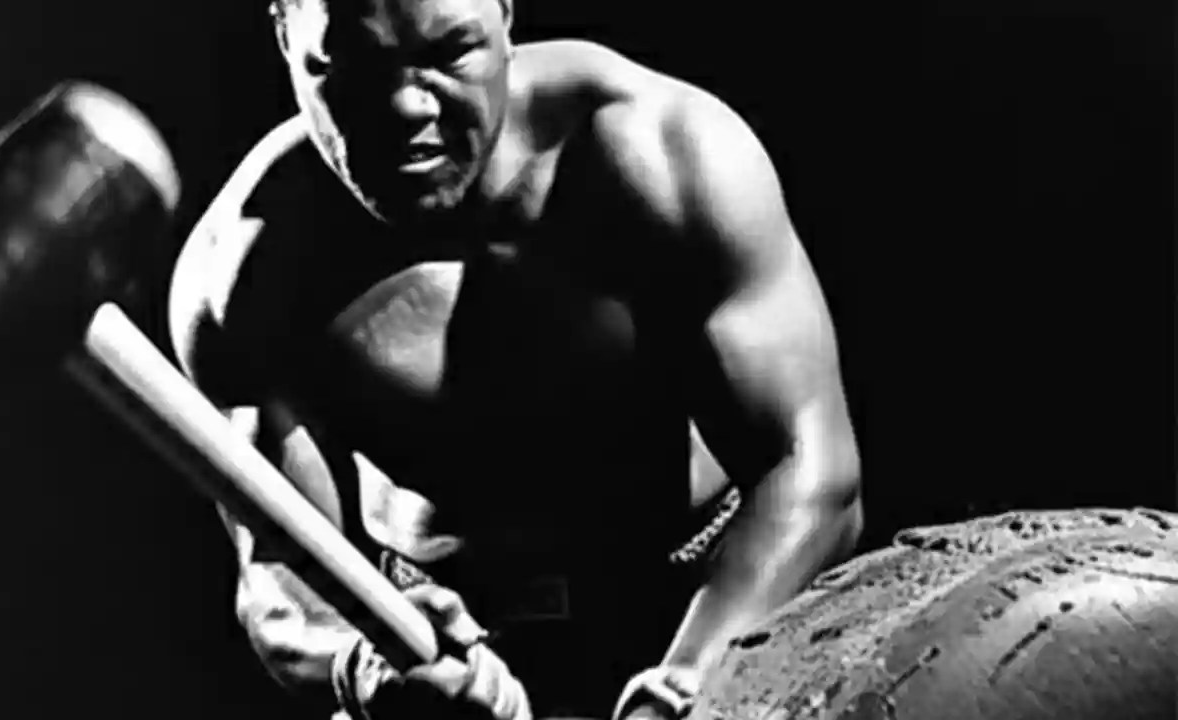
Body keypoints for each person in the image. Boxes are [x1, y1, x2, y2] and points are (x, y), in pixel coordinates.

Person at [168, 0, 864, 717]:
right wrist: (365, 666)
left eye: (449, 53)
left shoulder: (663, 154)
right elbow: (277, 575)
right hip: (439, 645)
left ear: (503, 11)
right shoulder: (244, 274)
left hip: (701, 598)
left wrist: (685, 685)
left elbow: (810, 472)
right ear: (286, 36)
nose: (406, 105)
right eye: (354, 66)